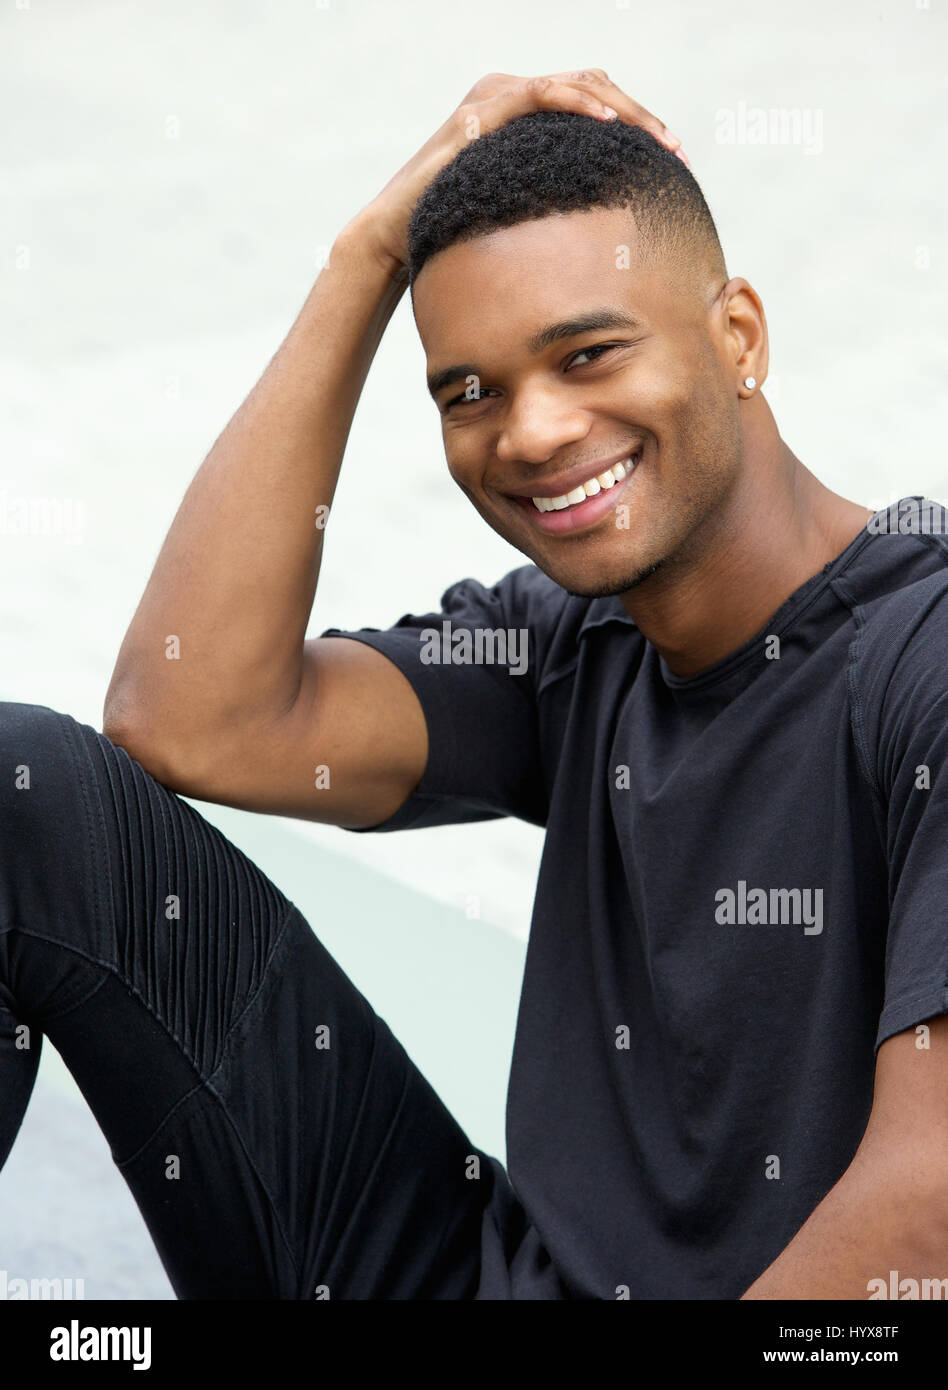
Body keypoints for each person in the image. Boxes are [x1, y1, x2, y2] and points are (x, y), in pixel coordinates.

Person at [2, 69, 947, 1300]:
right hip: (478, 1276)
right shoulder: (569, 645)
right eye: (470, 392)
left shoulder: (920, 654)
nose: (533, 432)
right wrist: (367, 254)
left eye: (589, 352)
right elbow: (193, 714)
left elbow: (927, 1217)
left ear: (739, 338)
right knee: (26, 792)